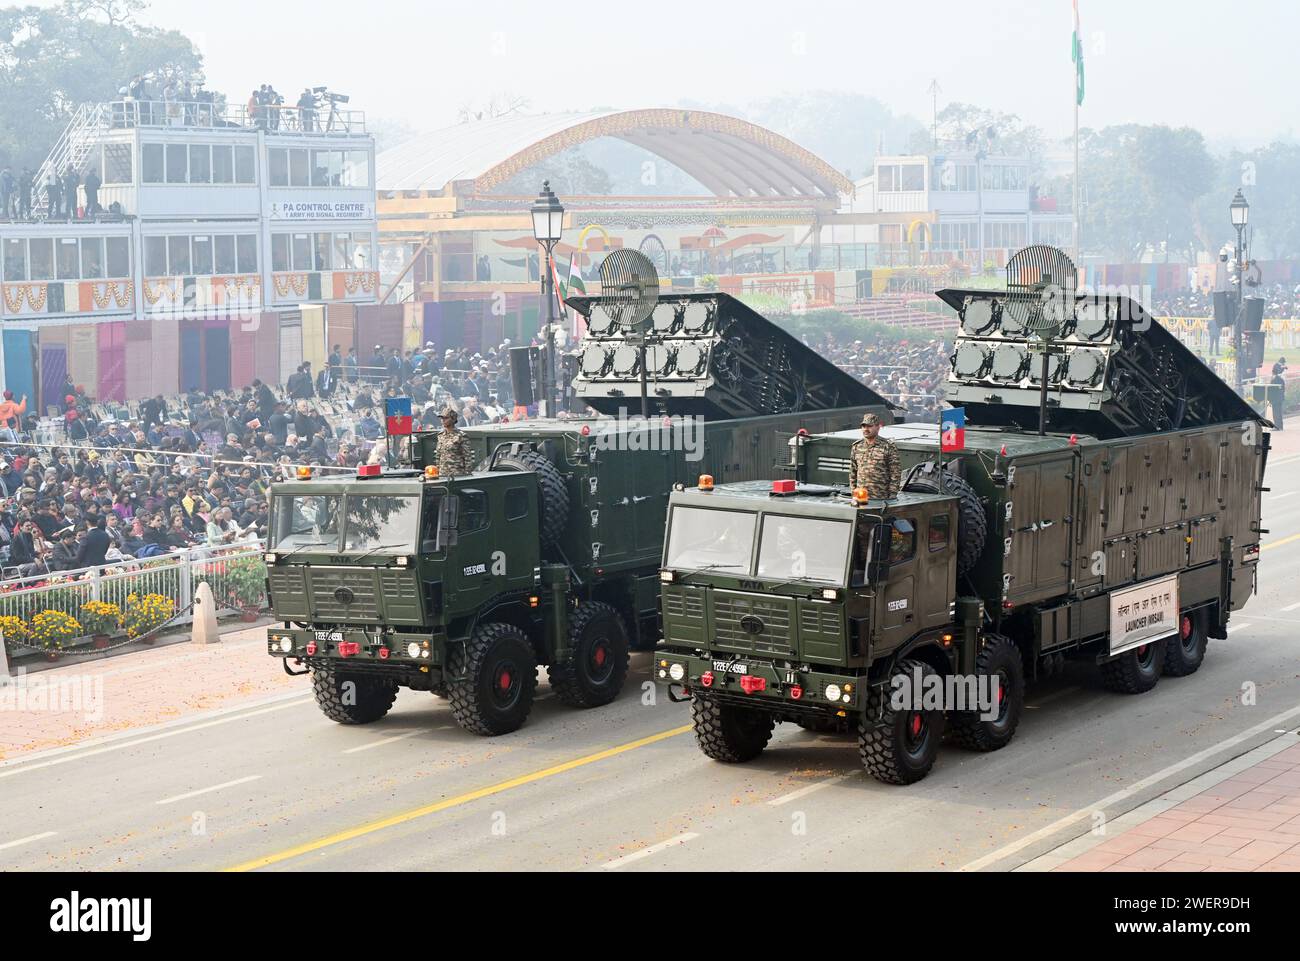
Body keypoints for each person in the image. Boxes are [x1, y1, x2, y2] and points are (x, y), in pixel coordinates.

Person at [849, 413, 901, 499]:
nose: (865, 429)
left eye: (869, 426)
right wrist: (853, 491)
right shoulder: (857, 446)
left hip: (881, 496)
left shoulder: (888, 446)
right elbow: (853, 471)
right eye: (863, 426)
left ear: (877, 427)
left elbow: (895, 473)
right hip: (861, 495)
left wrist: (892, 495)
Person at [435, 406, 473, 478]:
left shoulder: (461, 436)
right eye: (442, 418)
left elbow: (467, 457)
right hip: (442, 474)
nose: (443, 420)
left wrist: (467, 474)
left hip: (457, 474)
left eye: (446, 418)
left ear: (453, 419)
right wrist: (438, 470)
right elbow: (438, 455)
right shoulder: (440, 435)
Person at [1271, 357, 1288, 430]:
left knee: (1276, 413)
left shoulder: (1274, 380)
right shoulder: (1282, 379)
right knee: (1279, 412)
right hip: (1280, 398)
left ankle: (1277, 427)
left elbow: (1271, 390)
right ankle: (1280, 426)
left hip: (1275, 398)